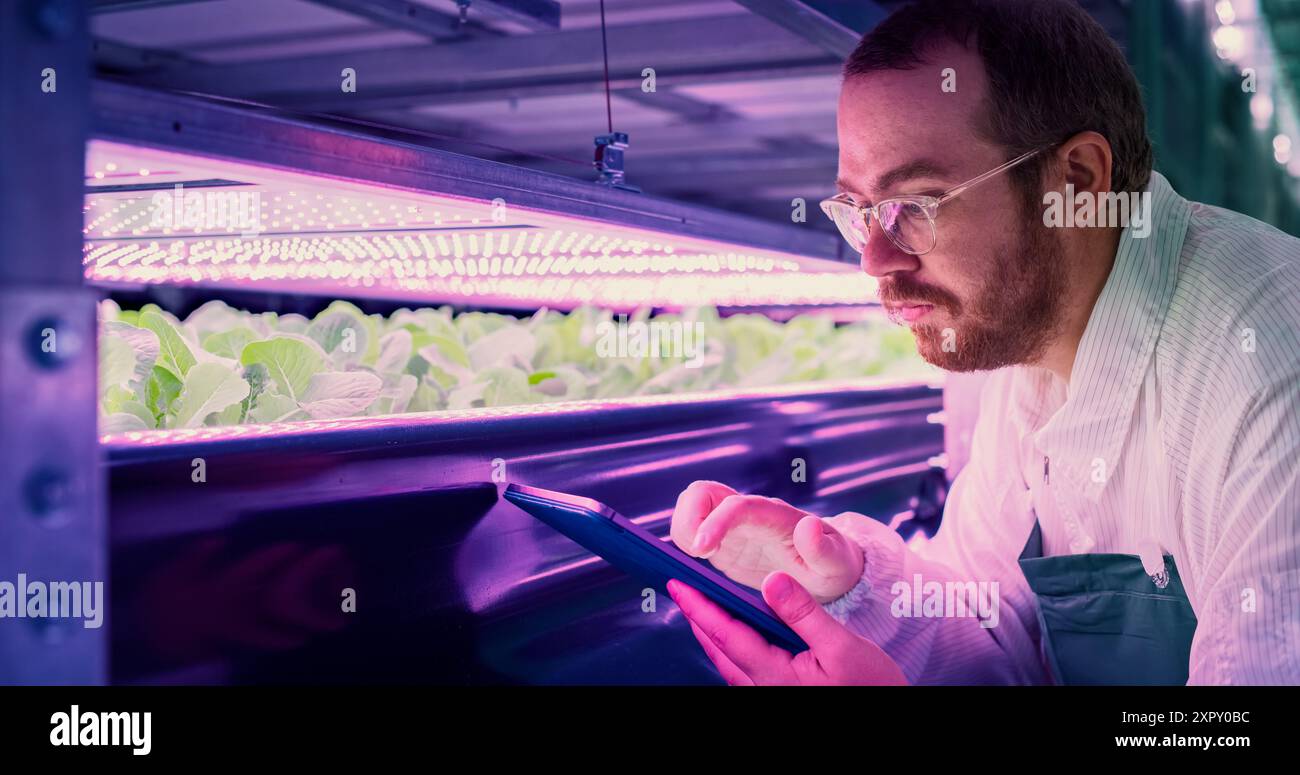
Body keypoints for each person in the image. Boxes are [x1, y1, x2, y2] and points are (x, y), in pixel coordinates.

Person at [667, 0, 1300, 685]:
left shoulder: (1268, 356)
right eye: (858, 211)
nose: (874, 260)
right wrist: (843, 584)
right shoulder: (1027, 346)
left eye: (917, 204)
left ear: (1079, 181)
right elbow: (991, 627)